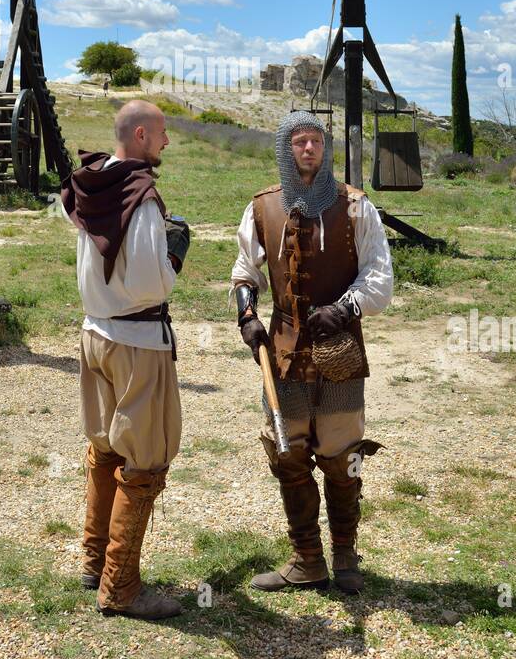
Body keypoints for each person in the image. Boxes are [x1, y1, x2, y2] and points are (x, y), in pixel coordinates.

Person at [230, 109, 393, 594]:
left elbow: (379, 277)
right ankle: (306, 559)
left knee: (343, 458)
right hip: (281, 353)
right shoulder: (263, 206)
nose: (307, 149)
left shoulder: (356, 207)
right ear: (287, 149)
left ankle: (345, 557)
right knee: (289, 456)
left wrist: (344, 309)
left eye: (315, 141)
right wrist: (247, 315)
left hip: (339, 350)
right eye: (299, 141)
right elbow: (245, 270)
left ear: (326, 148)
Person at [60, 100, 190, 620]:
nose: (165, 143)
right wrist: (175, 257)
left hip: (95, 334)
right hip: (137, 343)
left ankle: (95, 562)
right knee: (145, 460)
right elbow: (149, 281)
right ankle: (120, 588)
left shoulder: (92, 183)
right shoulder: (142, 196)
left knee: (105, 448)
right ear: (140, 134)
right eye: (160, 135)